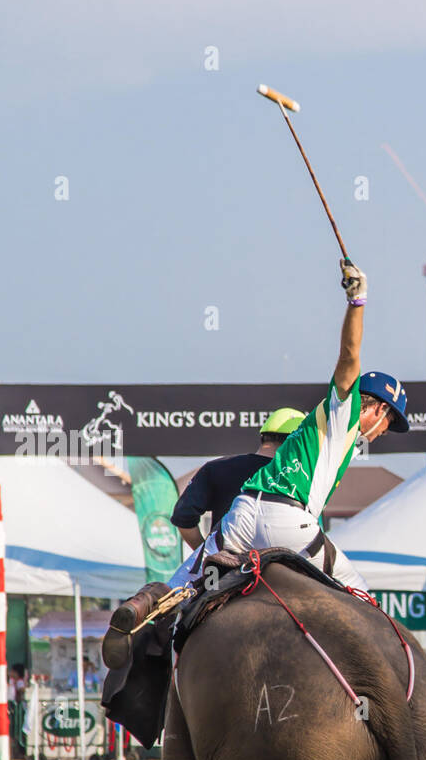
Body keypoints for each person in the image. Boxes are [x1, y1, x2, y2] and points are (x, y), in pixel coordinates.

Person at [104, 258, 407, 662]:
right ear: (378, 409)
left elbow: (184, 522)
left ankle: (138, 617)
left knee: (181, 587)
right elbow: (349, 358)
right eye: (390, 421)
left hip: (243, 514)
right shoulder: (343, 414)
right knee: (364, 601)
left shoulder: (313, 432)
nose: (386, 431)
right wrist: (357, 303)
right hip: (291, 525)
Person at [166, 407, 306, 587]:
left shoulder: (216, 468)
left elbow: (183, 520)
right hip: (283, 575)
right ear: (295, 443)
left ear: (263, 438)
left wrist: (209, 552)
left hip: (219, 569)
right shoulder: (298, 479)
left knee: (179, 601)